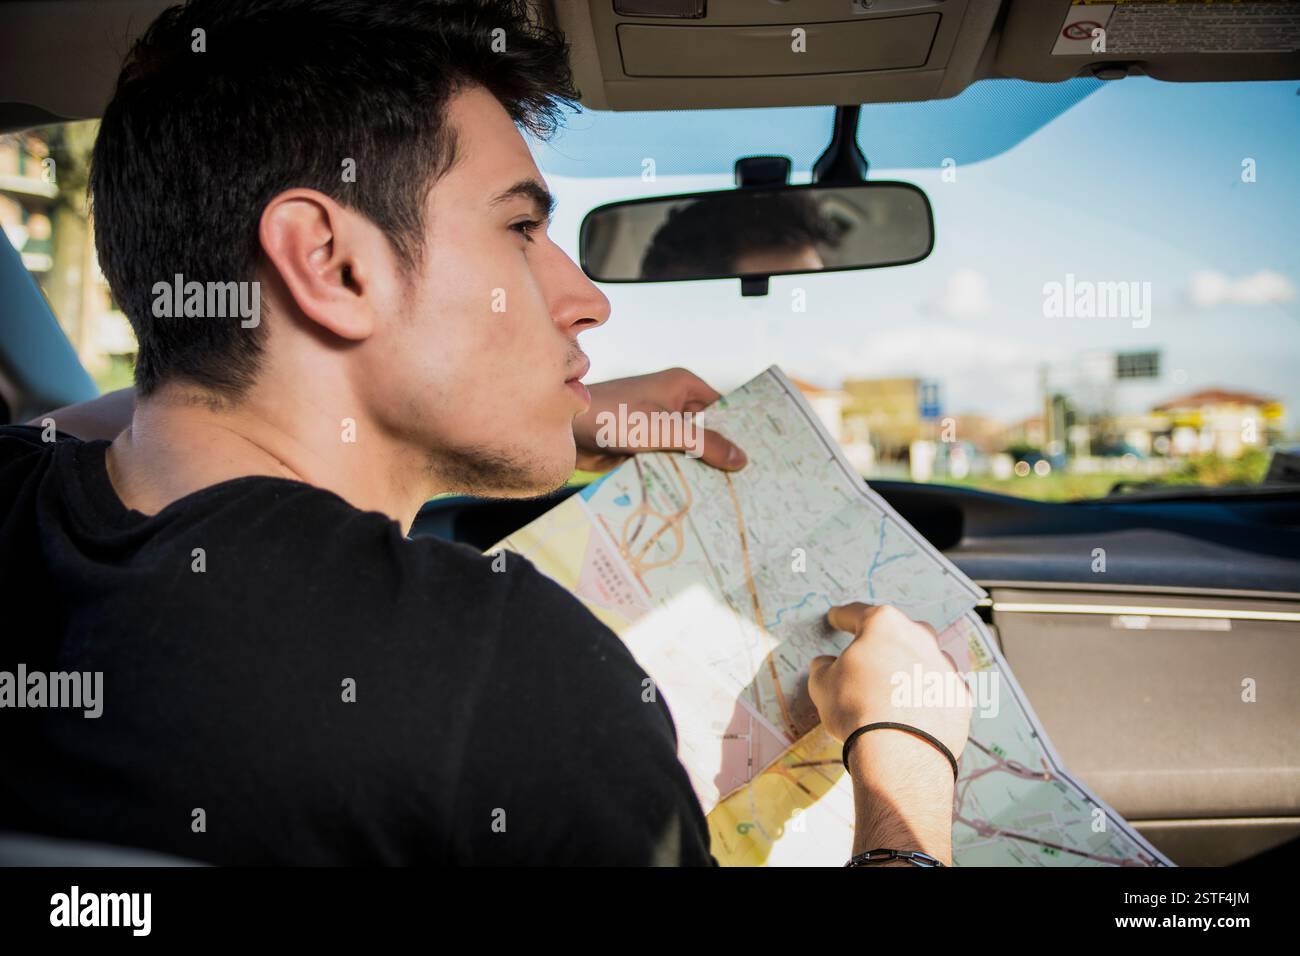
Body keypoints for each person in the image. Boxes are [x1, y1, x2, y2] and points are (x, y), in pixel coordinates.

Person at [0, 0, 969, 865]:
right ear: (332, 264)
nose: (586, 301)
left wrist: (542, 418)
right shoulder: (504, 672)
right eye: (519, 229)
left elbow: (165, 401)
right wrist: (904, 762)